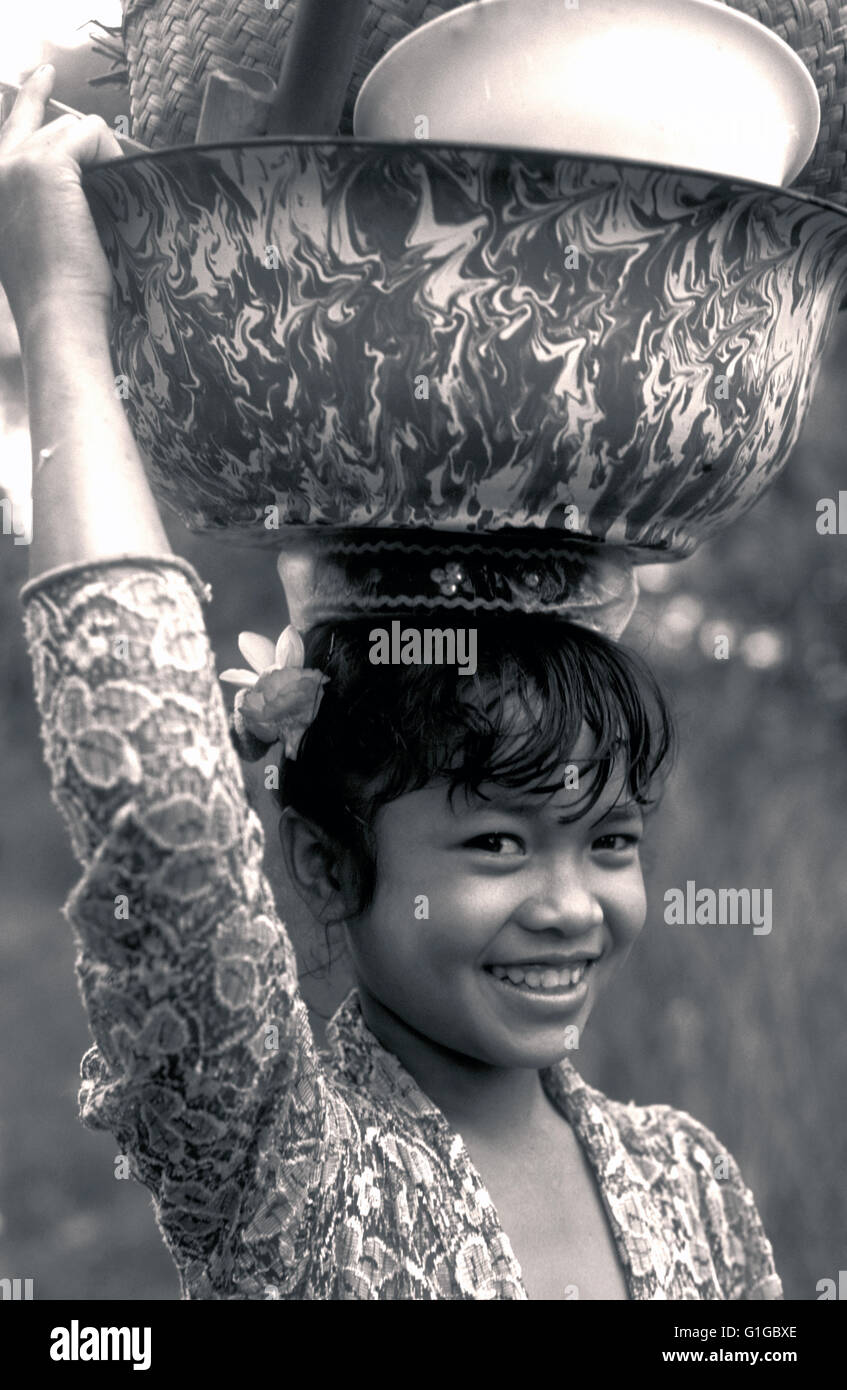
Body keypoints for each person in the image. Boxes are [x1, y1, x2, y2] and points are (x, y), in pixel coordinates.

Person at [3, 65, 782, 1300]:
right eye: (493, 842)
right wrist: (57, 314)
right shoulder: (290, 1172)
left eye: (610, 836)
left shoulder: (693, 1184)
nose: (573, 905)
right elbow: (156, 797)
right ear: (323, 860)